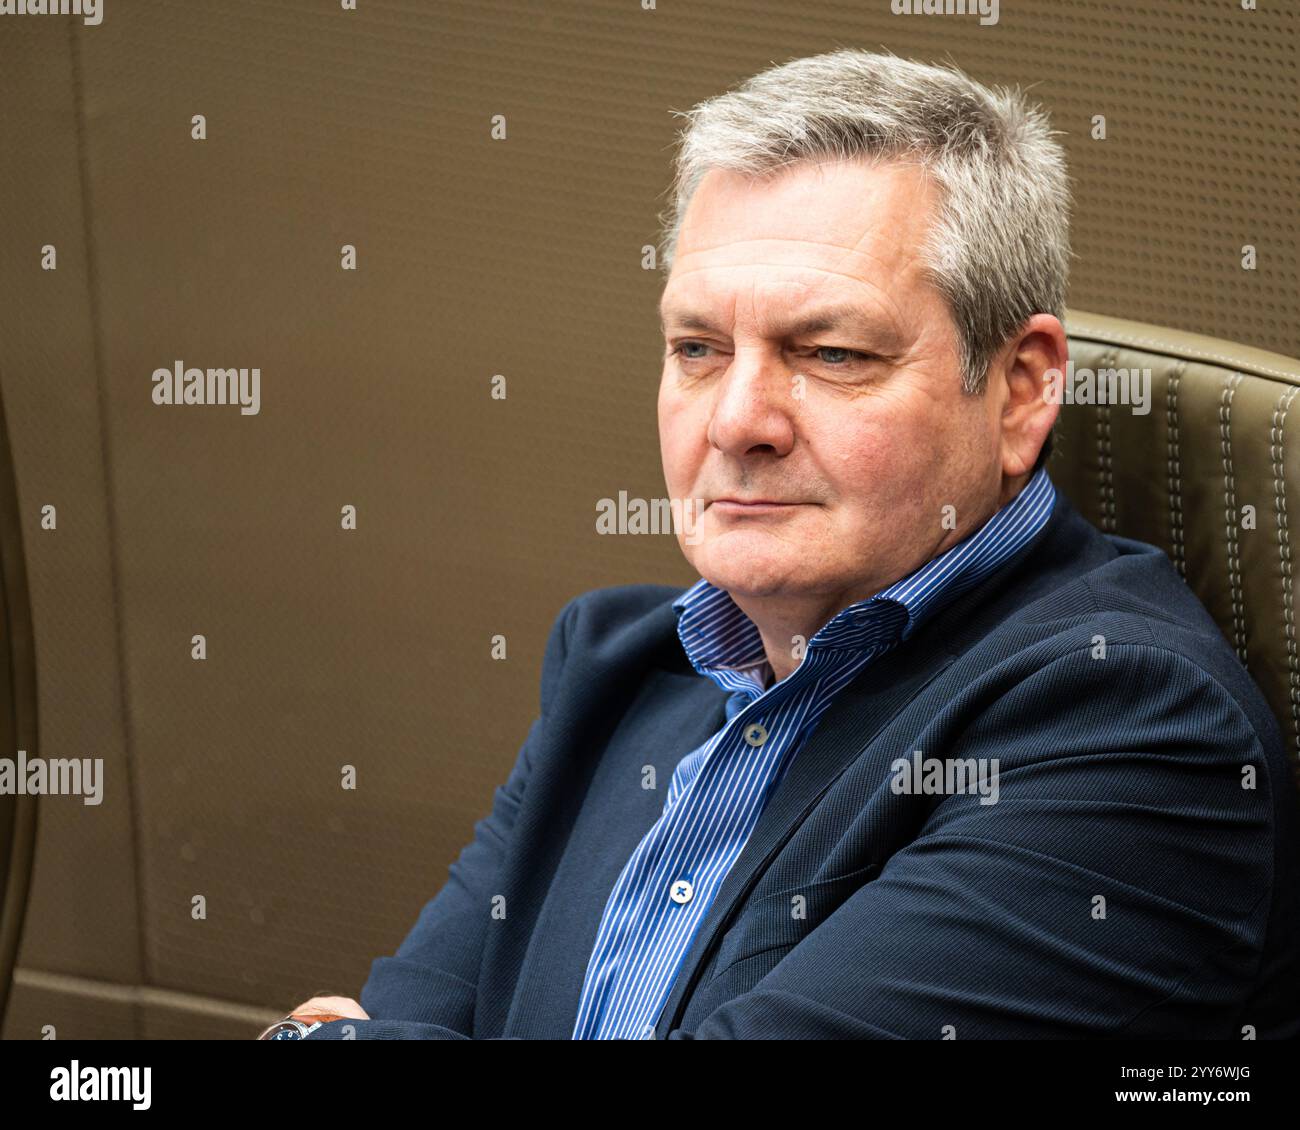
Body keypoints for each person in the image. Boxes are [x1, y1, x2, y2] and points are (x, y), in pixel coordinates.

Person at [267, 48, 1300, 1040]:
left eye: (830, 352)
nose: (735, 421)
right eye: (697, 350)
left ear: (1022, 388)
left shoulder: (1129, 727)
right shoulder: (620, 668)